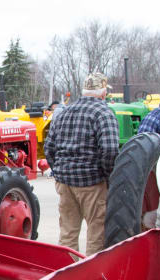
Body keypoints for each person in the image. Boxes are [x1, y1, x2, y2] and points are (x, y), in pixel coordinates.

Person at [44, 72, 119, 255]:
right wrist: (108, 177)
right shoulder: (104, 113)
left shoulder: (63, 112)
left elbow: (49, 148)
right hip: (92, 182)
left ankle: (67, 276)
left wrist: (60, 172)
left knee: (68, 234)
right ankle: (91, 278)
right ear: (103, 93)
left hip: (65, 182)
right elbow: (110, 151)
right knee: (96, 235)